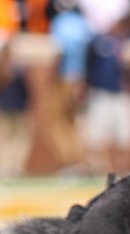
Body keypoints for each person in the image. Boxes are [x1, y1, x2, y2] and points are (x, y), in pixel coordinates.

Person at [83, 22, 130, 174]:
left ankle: (121, 170)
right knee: (97, 136)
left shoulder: (128, 43)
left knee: (125, 137)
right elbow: (88, 66)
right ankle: (99, 169)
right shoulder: (98, 42)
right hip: (101, 93)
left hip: (121, 95)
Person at [47, 0, 92, 173]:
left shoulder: (61, 23)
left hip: (65, 76)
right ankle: (78, 161)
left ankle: (71, 162)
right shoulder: (83, 24)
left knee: (57, 120)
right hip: (80, 77)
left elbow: (60, 50)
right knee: (73, 121)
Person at [0, 35, 33, 179]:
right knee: (18, 138)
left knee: (1, 138)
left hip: (3, 108)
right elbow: (26, 90)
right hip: (18, 108)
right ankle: (12, 166)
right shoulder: (17, 68)